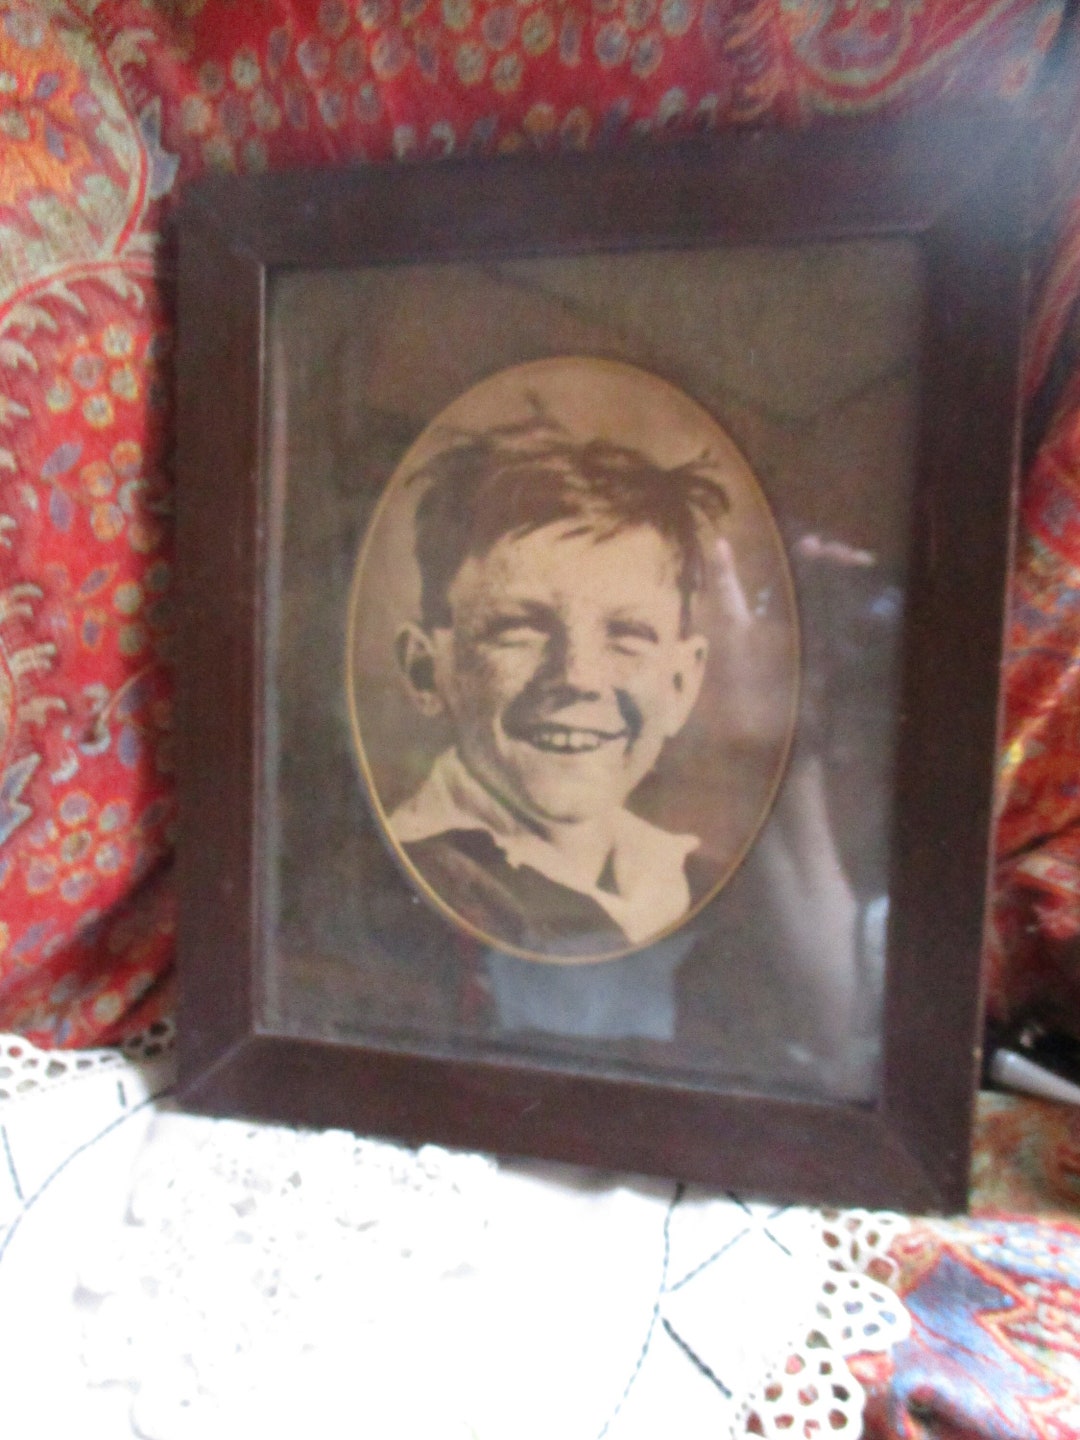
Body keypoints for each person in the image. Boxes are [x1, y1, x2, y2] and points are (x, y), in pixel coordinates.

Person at [385, 407, 730, 960]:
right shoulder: (394, 892)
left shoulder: (704, 886)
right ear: (427, 671)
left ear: (681, 684)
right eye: (521, 628)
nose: (578, 678)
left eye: (627, 635)